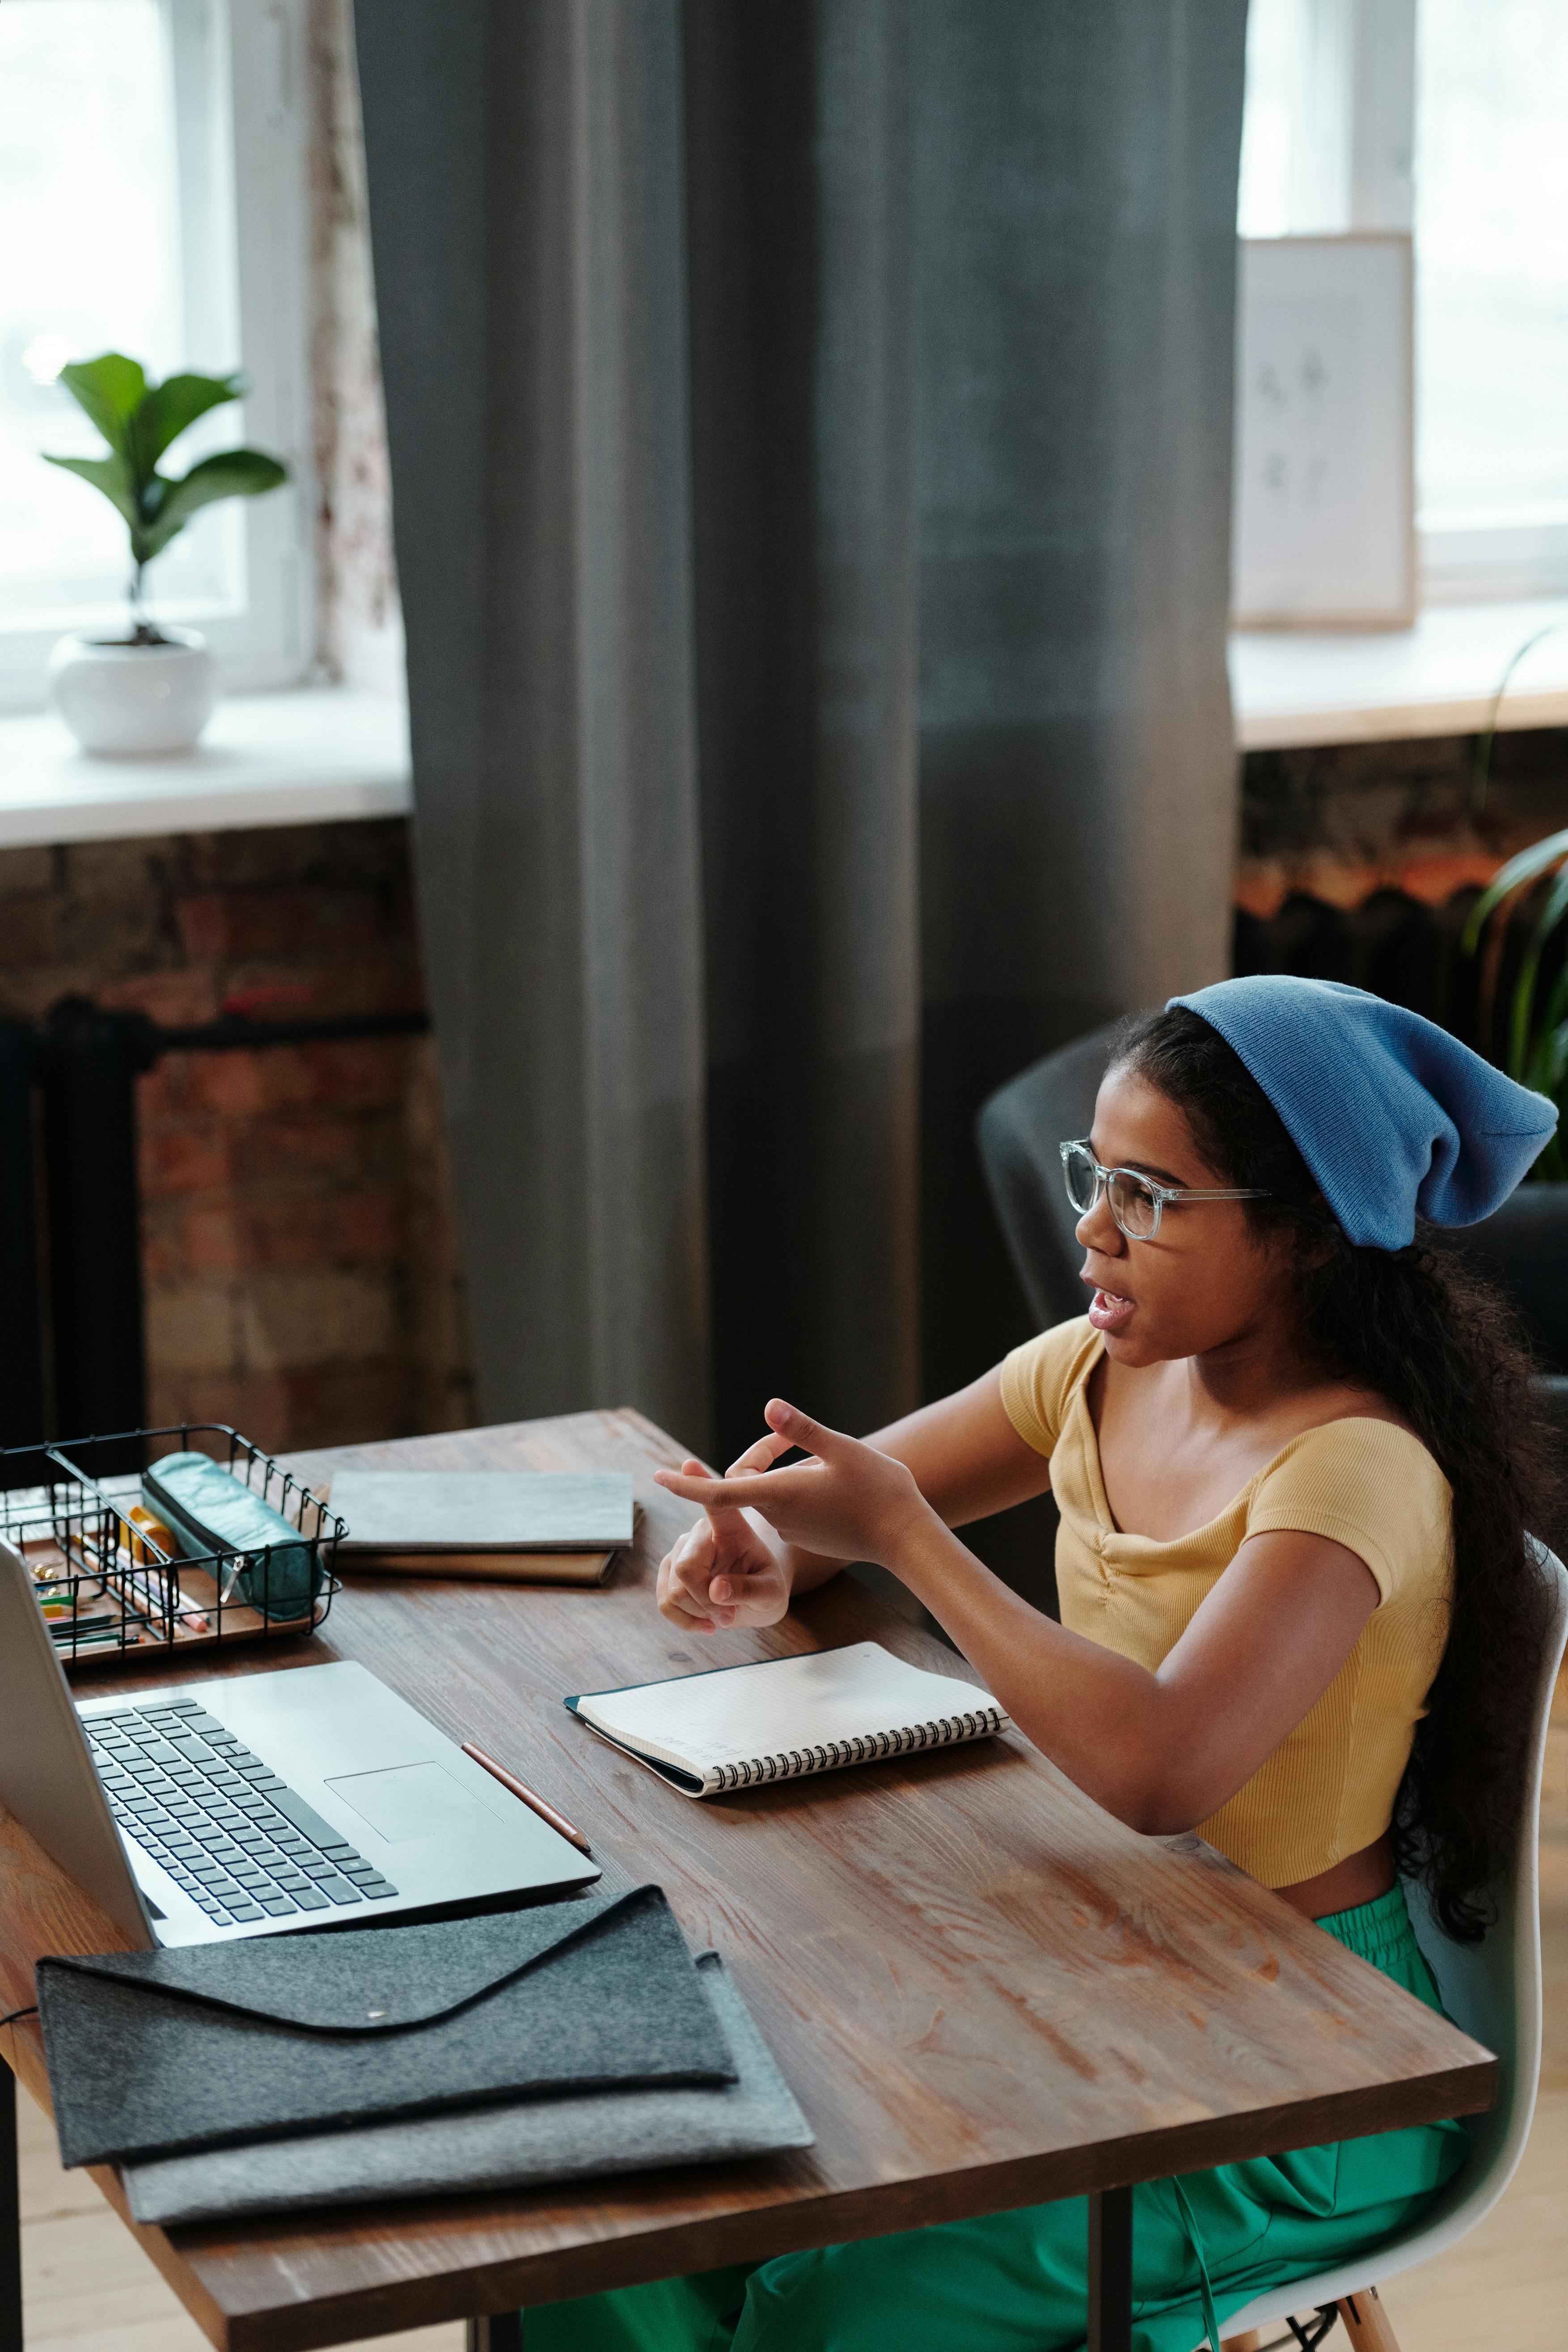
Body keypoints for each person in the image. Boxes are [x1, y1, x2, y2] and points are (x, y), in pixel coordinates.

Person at [529, 977, 1560, 2352]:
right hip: (1087, 1957)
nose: (1091, 1227)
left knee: (822, 2307)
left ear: (1303, 1227)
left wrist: (906, 1536)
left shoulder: (1353, 1469)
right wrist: (765, 1548)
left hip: (1310, 2057)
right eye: (1096, 1173)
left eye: (1147, 1193)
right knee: (613, 2228)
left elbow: (1160, 1768)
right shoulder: (1101, 1367)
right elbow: (848, 1506)